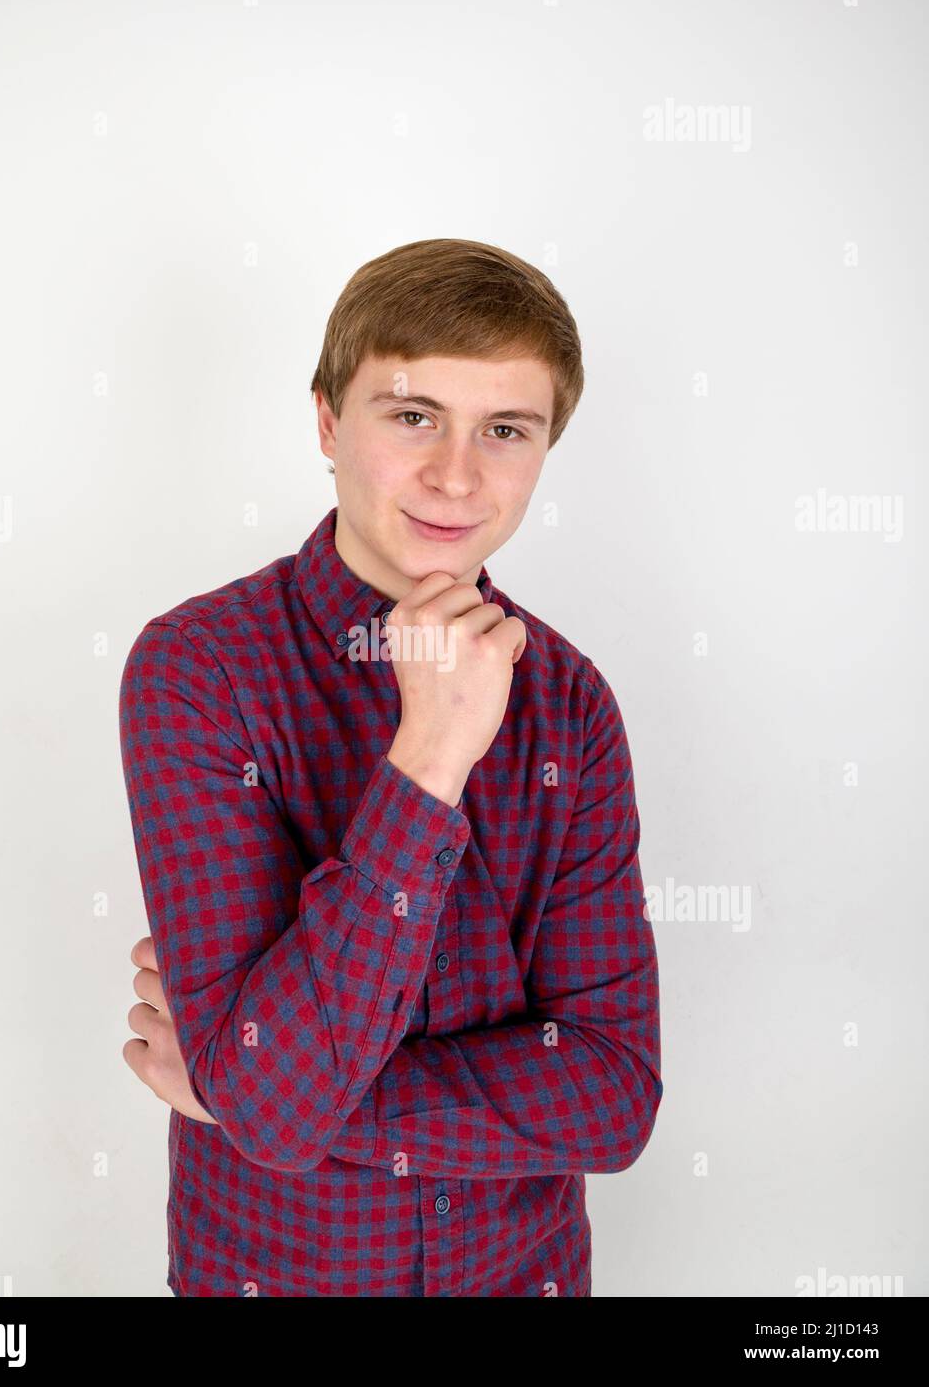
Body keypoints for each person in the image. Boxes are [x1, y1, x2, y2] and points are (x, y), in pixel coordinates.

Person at [118, 237, 663, 1297]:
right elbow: (272, 1105)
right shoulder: (197, 670)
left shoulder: (572, 702)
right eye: (412, 416)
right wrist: (430, 755)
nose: (457, 474)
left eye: (504, 430)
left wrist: (243, 1088)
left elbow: (613, 1095)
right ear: (326, 420)